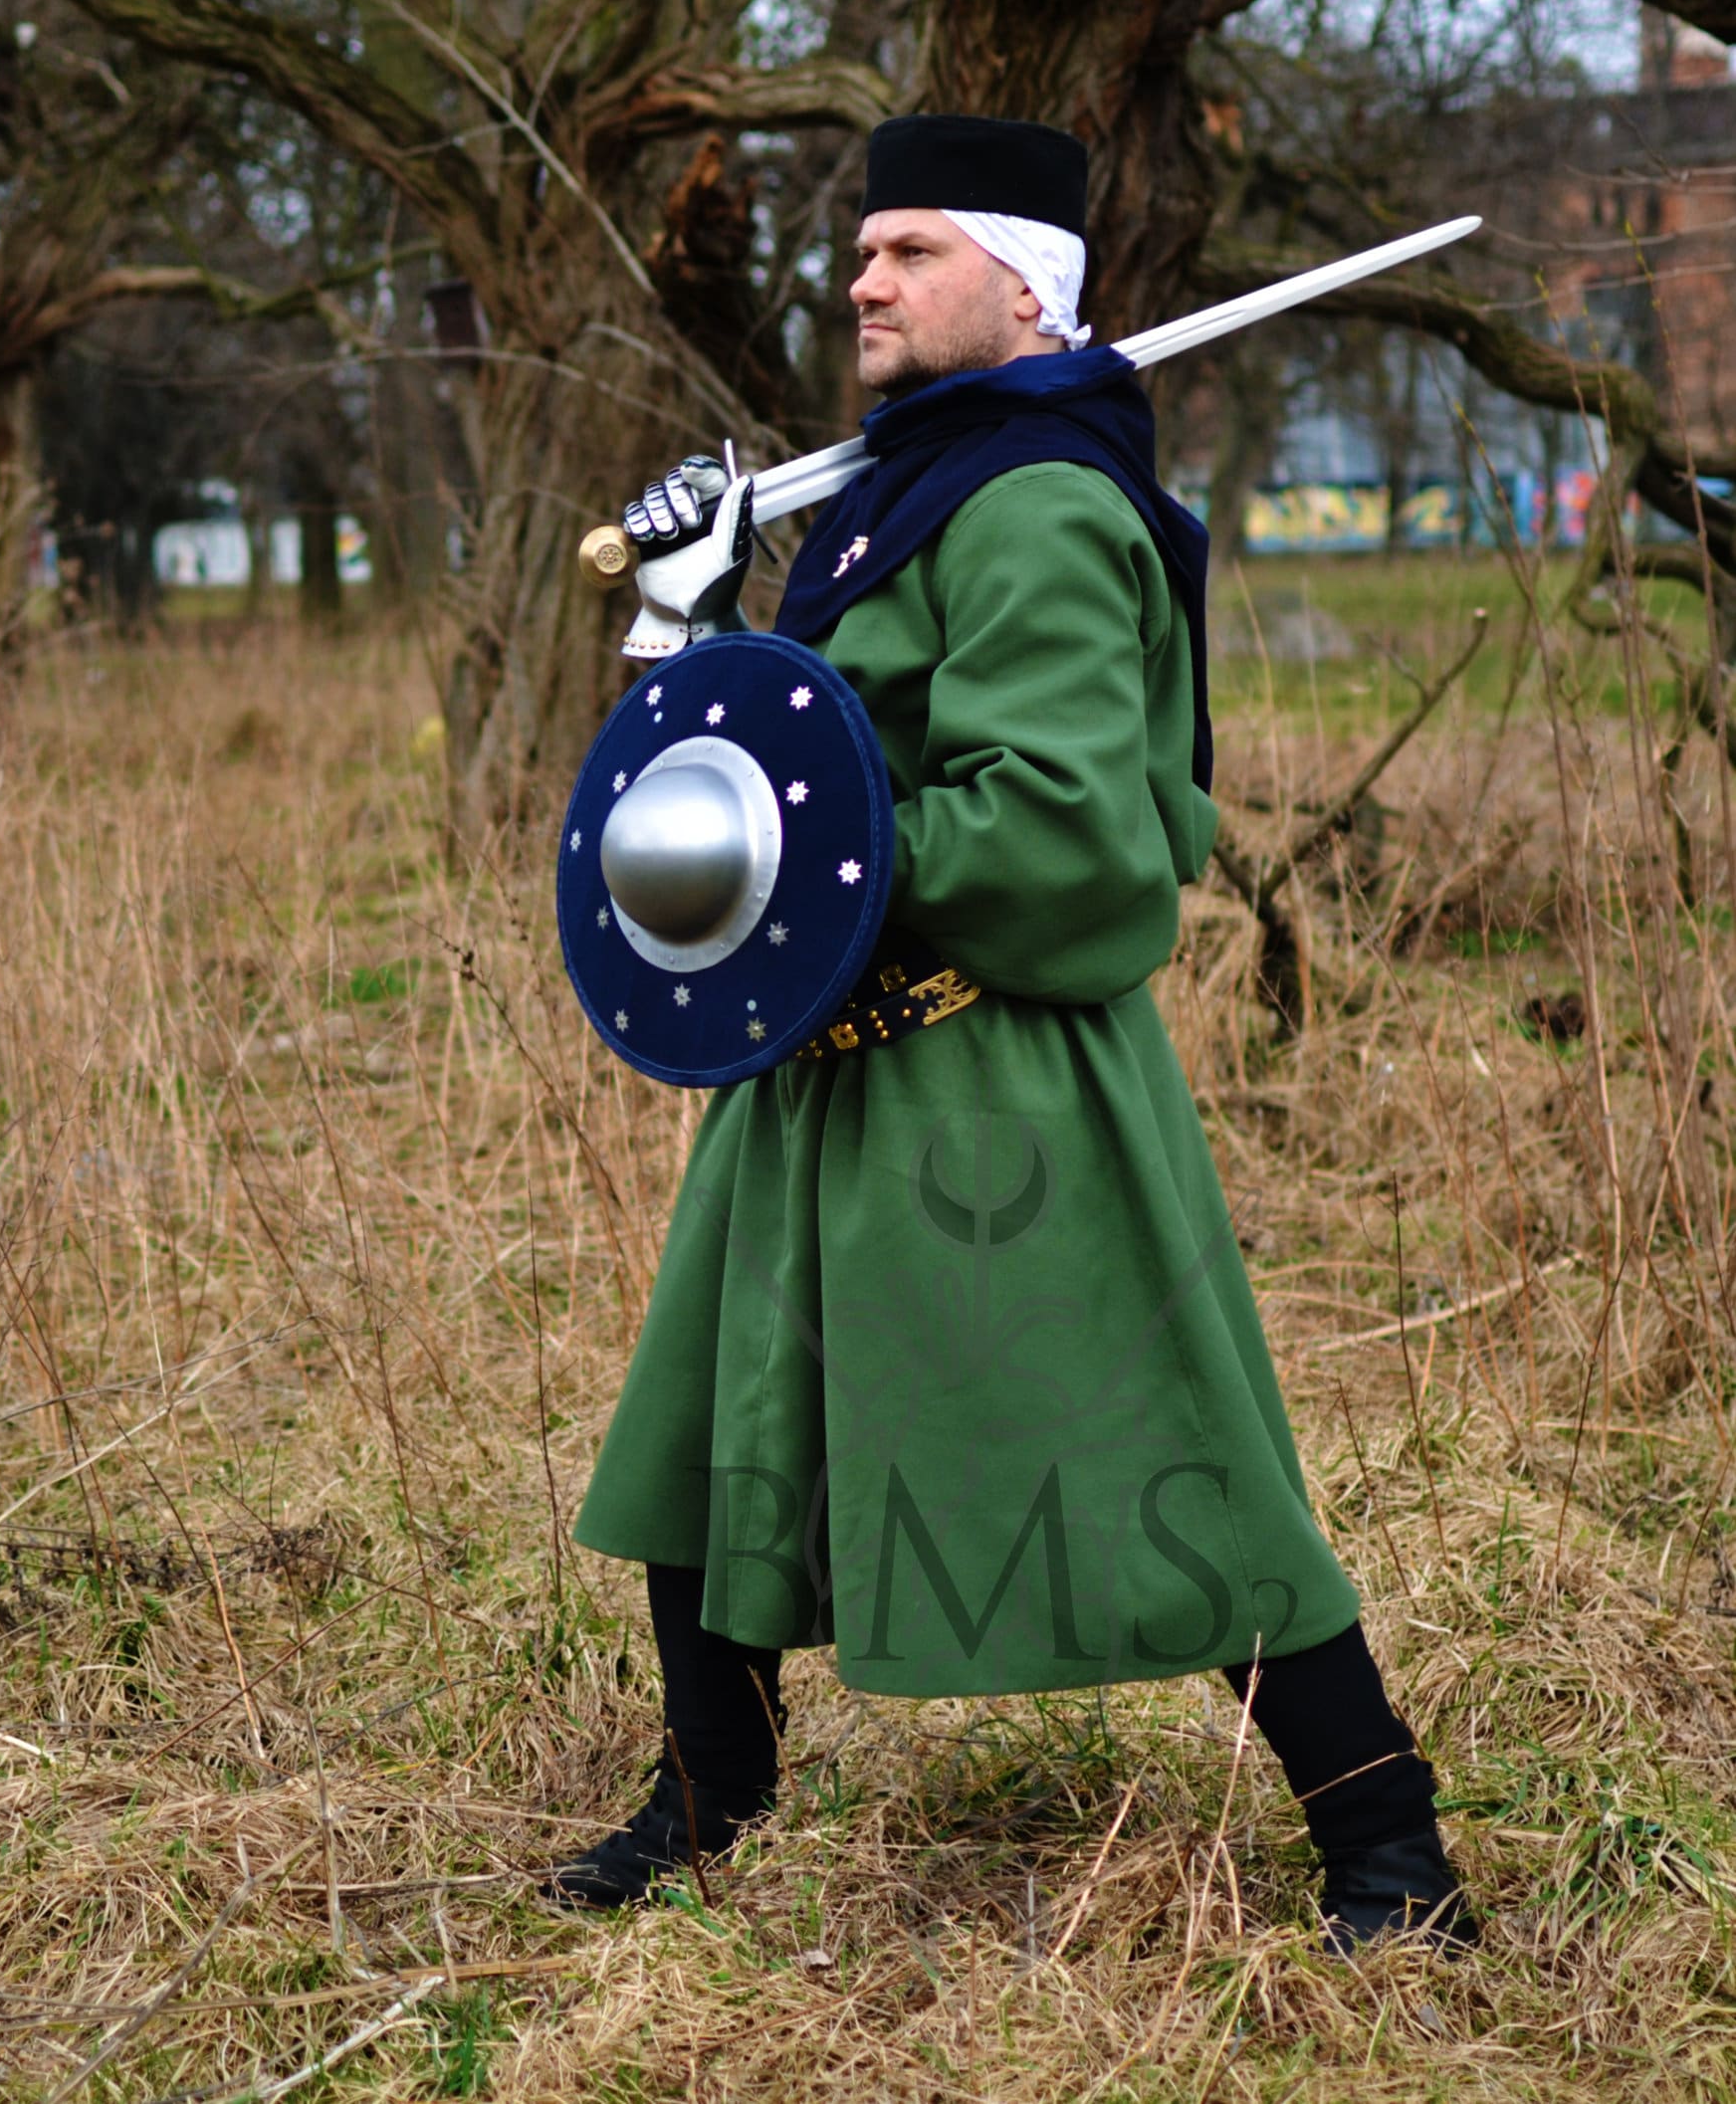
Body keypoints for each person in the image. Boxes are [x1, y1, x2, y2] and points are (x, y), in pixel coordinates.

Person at [543, 114, 1475, 1954]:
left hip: (995, 1066)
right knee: (711, 1424)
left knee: (1169, 1449)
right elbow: (768, 767)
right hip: (820, 1053)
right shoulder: (905, 487)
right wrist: (686, 622)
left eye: (910, 251)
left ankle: (1389, 1851)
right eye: (863, 251)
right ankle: (710, 1796)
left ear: (1025, 281)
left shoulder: (1034, 497)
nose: (863, 280)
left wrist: (817, 863)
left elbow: (1060, 833)